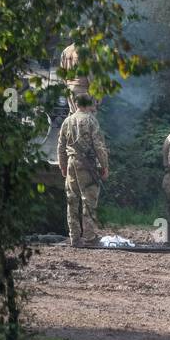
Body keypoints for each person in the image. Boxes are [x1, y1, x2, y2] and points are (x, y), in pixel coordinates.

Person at [56, 101, 109, 247]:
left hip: (71, 163)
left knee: (72, 200)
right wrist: (104, 166)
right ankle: (89, 237)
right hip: (87, 166)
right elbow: (99, 147)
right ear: (87, 105)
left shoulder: (67, 120)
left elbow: (60, 145)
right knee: (89, 199)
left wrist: (62, 165)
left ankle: (74, 237)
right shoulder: (91, 120)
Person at [59, 42, 94, 112]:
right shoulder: (86, 51)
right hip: (84, 90)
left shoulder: (66, 51)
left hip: (70, 89)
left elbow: (62, 73)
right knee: (85, 117)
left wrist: (67, 85)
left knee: (73, 115)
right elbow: (90, 74)